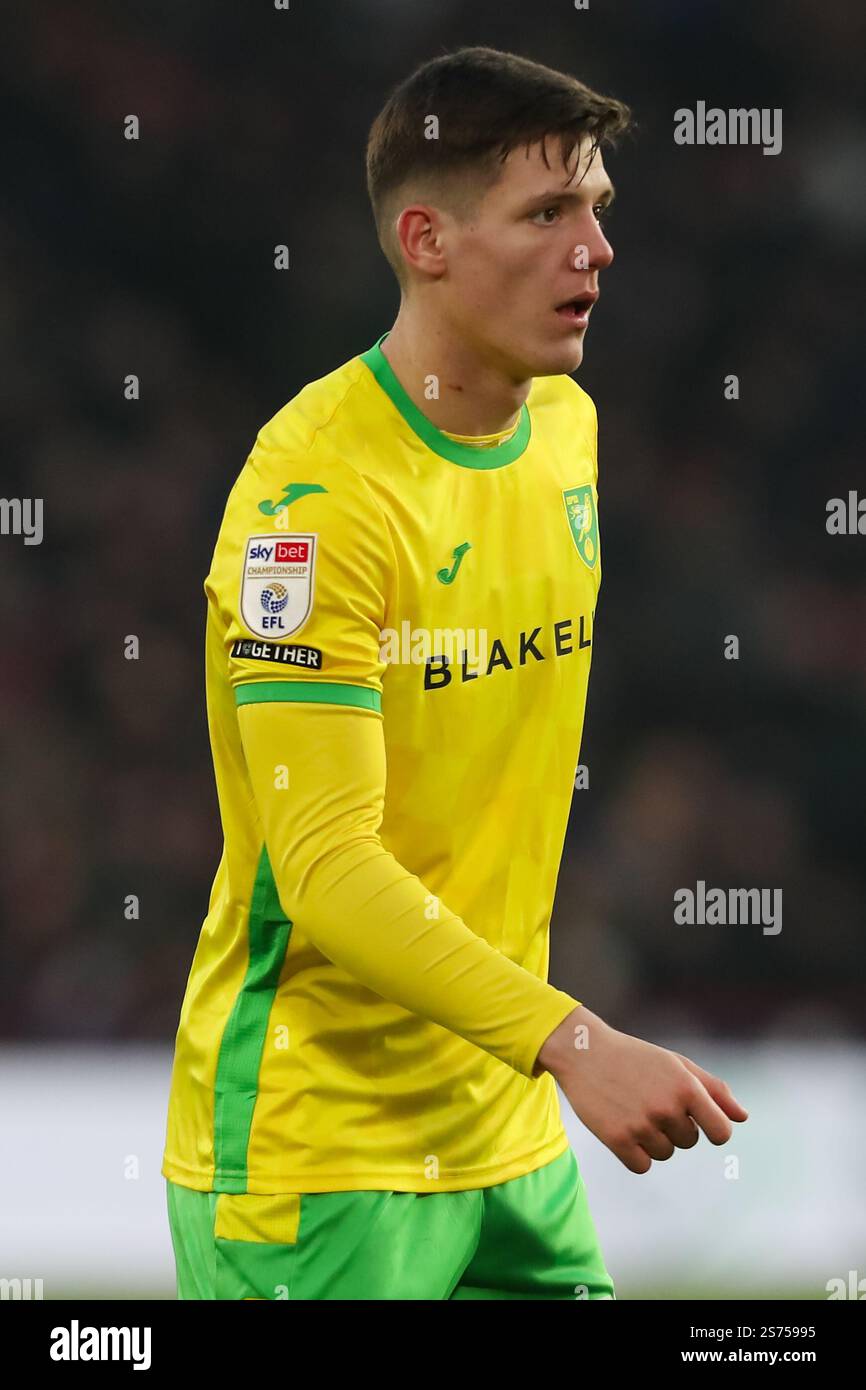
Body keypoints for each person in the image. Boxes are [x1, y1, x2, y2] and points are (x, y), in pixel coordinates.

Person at [162, 44, 748, 1301]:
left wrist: (542, 1055)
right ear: (424, 240)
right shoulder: (313, 505)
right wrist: (573, 1037)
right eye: (547, 214)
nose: (594, 248)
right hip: (325, 1160)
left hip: (510, 1136)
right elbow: (322, 868)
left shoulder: (564, 427)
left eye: (596, 208)